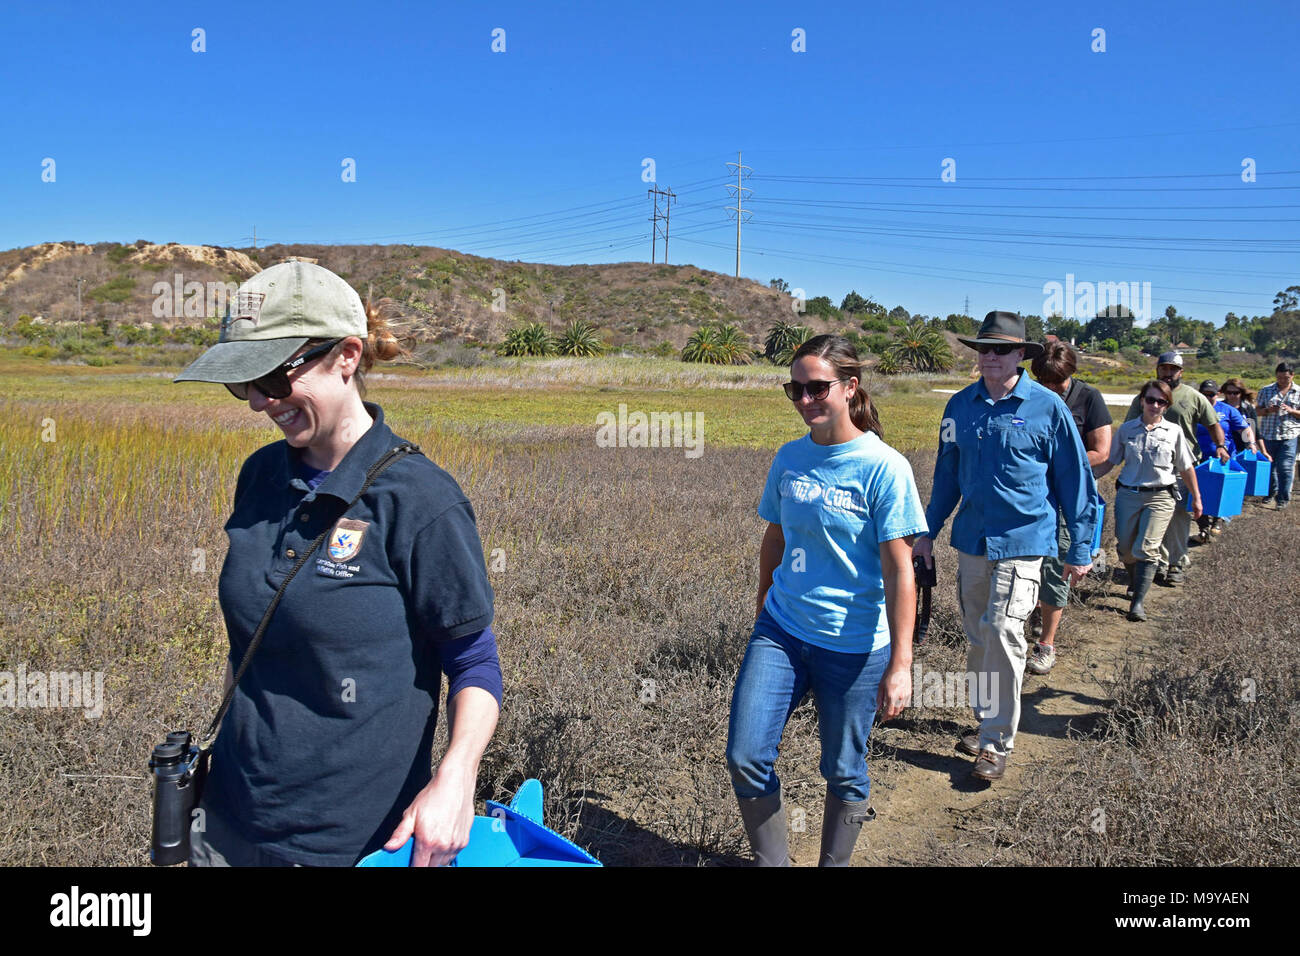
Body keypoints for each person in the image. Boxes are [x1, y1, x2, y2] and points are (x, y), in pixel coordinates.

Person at [174, 260, 503, 867]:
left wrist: (456, 779)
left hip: (356, 842)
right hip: (230, 819)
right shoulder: (260, 476)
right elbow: (247, 640)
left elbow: (474, 661)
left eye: (273, 377)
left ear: (347, 355)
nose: (257, 403)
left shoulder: (421, 500)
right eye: (241, 383)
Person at [727, 334, 926, 866]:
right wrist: (761, 609)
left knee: (843, 770)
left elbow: (899, 569)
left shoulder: (884, 467)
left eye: (817, 387)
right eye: (795, 389)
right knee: (746, 755)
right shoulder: (790, 458)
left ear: (849, 387)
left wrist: (902, 664)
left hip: (855, 644)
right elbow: (774, 537)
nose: (805, 399)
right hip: (782, 630)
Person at [913, 312, 1096, 783]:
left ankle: (995, 743)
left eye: (1000, 349)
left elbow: (1075, 480)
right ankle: (987, 719)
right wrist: (926, 531)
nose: (989, 356)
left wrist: (1081, 545)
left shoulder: (1047, 408)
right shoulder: (959, 407)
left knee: (1003, 630)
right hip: (973, 539)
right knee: (978, 635)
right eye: (983, 349)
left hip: (1024, 540)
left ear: (1021, 355)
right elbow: (947, 477)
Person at [1026, 341, 1112, 675]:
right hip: (1032, 498)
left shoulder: (1088, 398)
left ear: (1071, 374)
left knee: (1056, 568)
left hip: (1067, 498)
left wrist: (1062, 467)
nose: (1051, 389)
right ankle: (1031, 614)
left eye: (1057, 382)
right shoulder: (1029, 397)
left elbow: (1102, 452)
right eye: (1044, 381)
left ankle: (1046, 644)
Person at [1094, 381, 1202, 621]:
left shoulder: (1174, 431)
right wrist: (1086, 477)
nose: (1155, 405)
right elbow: (1110, 462)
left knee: (1147, 548)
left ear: (1167, 406)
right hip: (1128, 495)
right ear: (1142, 401)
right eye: (1151, 400)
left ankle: (1137, 602)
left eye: (1161, 402)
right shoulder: (1126, 429)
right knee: (1125, 549)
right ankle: (1135, 580)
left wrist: (1197, 497)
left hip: (1161, 496)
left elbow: (1186, 467)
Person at [1123, 352, 1227, 586]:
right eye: (1164, 368)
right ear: (1157, 369)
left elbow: (1213, 424)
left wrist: (1220, 446)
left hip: (1181, 468)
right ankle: (1157, 563)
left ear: (1181, 372)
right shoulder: (1146, 395)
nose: (1168, 373)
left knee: (1178, 517)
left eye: (1173, 369)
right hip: (1148, 468)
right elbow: (1130, 425)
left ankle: (1176, 564)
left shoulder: (1193, 397)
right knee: (1151, 518)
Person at [1193, 379, 1254, 541]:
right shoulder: (1193, 410)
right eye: (1204, 394)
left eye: (1211, 394)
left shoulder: (1226, 410)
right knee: (1199, 494)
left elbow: (1245, 428)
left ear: (1218, 394)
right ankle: (1203, 528)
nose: (1208, 398)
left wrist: (1251, 443)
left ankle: (1218, 521)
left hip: (1223, 459)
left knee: (1221, 492)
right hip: (1199, 460)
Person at [1255, 362, 1300, 510]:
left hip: (1290, 434)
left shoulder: (1298, 392)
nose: (1282, 380)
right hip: (1269, 434)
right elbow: (1257, 411)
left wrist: (1291, 411)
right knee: (1270, 467)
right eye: (1279, 377)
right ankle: (1269, 494)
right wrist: (1269, 410)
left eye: (1286, 378)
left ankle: (1283, 499)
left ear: (1292, 376)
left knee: (1285, 467)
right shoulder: (1266, 390)